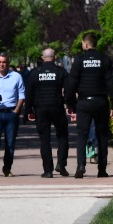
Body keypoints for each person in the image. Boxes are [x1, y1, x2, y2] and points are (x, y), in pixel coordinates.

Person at [66, 33, 113, 179]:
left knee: (82, 135)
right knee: (102, 136)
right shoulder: (104, 59)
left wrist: (70, 104)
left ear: (85, 44)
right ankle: (102, 169)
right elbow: (110, 83)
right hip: (101, 102)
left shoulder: (79, 60)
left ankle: (81, 166)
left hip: (84, 102)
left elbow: (71, 84)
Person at [28, 46, 70, 178]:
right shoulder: (61, 72)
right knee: (62, 136)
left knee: (44, 139)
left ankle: (48, 170)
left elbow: (29, 92)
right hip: (57, 107)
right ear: (55, 57)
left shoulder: (35, 72)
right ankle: (61, 164)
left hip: (41, 109)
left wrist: (29, 110)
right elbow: (69, 89)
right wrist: (70, 105)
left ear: (42, 57)